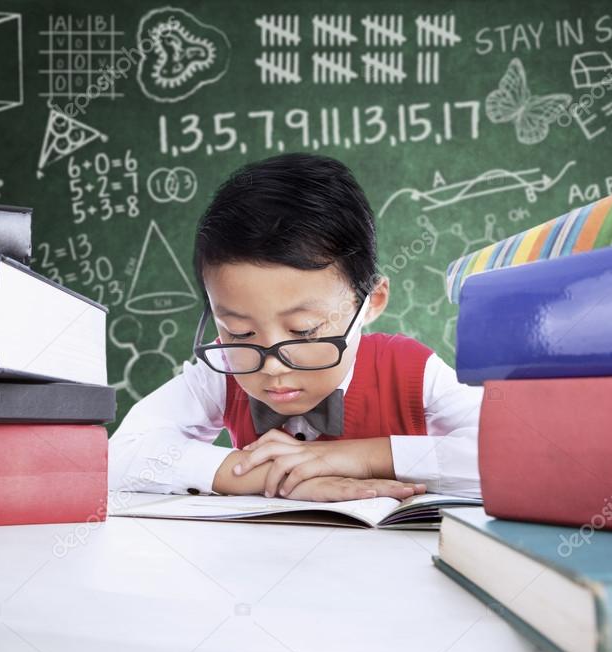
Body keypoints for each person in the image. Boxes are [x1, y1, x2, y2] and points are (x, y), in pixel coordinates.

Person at [109, 153, 483, 501]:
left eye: (304, 331)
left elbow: (520, 451)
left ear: (371, 300)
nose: (272, 366)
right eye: (239, 331)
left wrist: (361, 457)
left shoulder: (411, 372)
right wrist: (268, 475)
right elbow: (119, 454)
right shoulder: (223, 371)